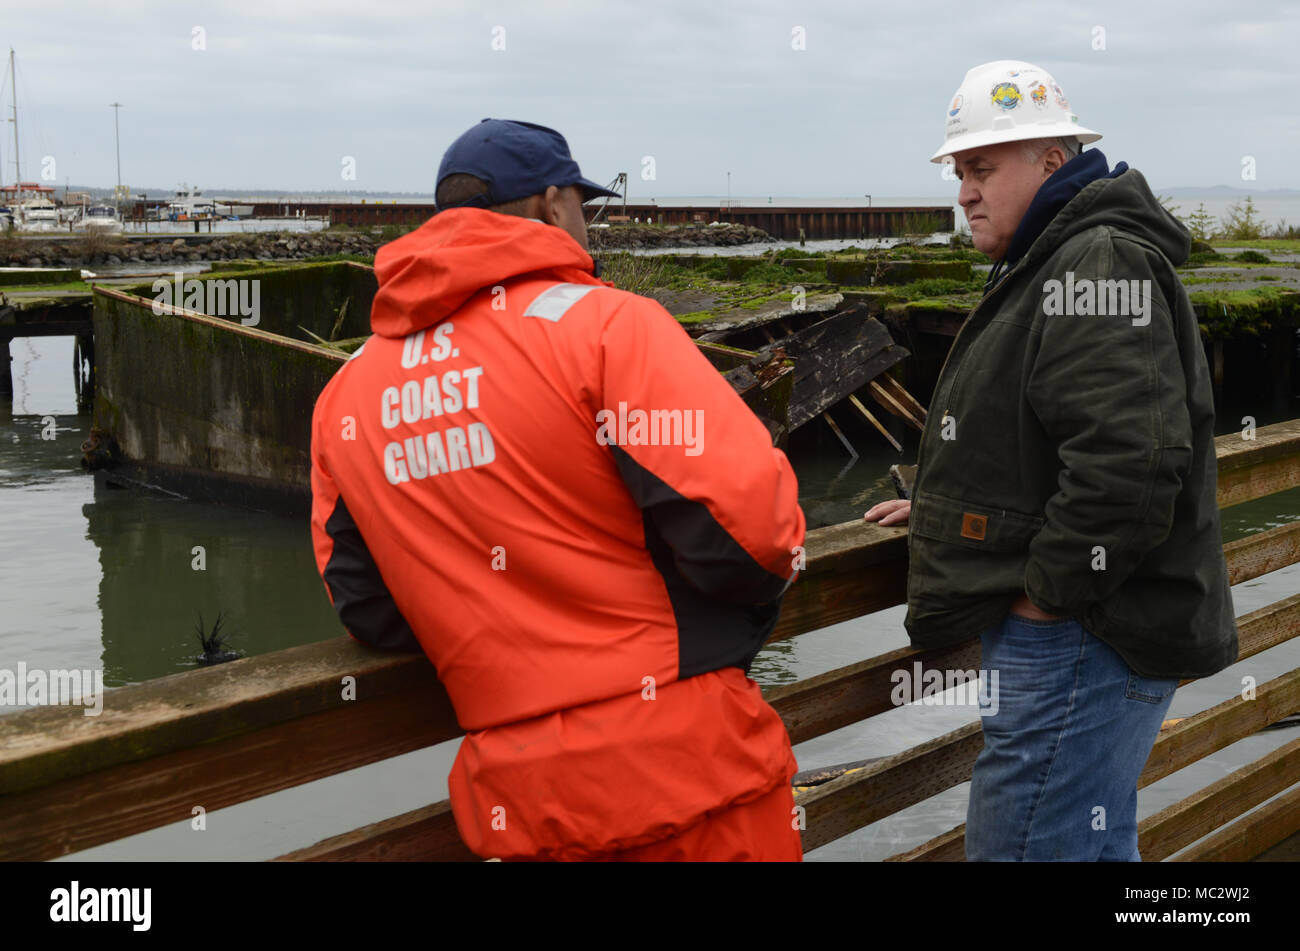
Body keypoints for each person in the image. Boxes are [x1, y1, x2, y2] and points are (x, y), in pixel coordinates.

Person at [309, 118, 806, 861]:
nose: (588, 227)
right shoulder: (611, 329)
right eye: (583, 206)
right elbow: (752, 534)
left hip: (523, 801)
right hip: (690, 775)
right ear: (550, 205)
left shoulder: (346, 396)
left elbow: (368, 607)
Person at [865, 61, 1237, 860]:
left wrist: (1046, 598)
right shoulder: (1056, 256)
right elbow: (1038, 434)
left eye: (982, 168)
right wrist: (937, 503)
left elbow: (1129, 464)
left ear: (1052, 162)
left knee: (1022, 846)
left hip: (1083, 634)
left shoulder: (1094, 260)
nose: (964, 191)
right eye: (960, 171)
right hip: (1094, 632)